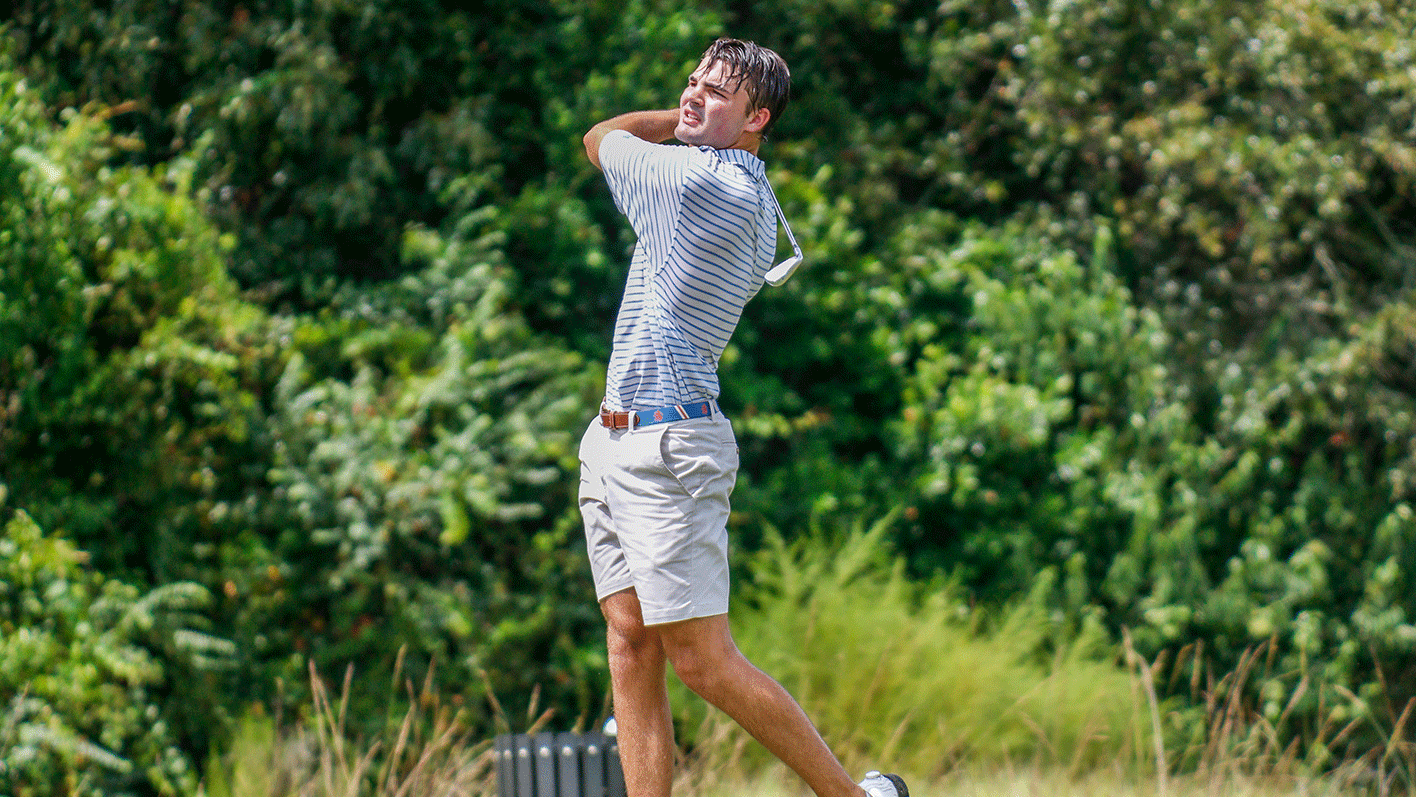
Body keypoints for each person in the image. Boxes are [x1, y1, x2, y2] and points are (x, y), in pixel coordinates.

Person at [577, 37, 908, 797]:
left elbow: (599, 139)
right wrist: (702, 115)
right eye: (689, 81)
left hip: (668, 449)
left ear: (757, 117)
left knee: (701, 659)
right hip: (615, 435)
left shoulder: (699, 185)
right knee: (630, 642)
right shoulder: (740, 183)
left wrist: (673, 118)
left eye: (716, 93)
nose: (693, 94)